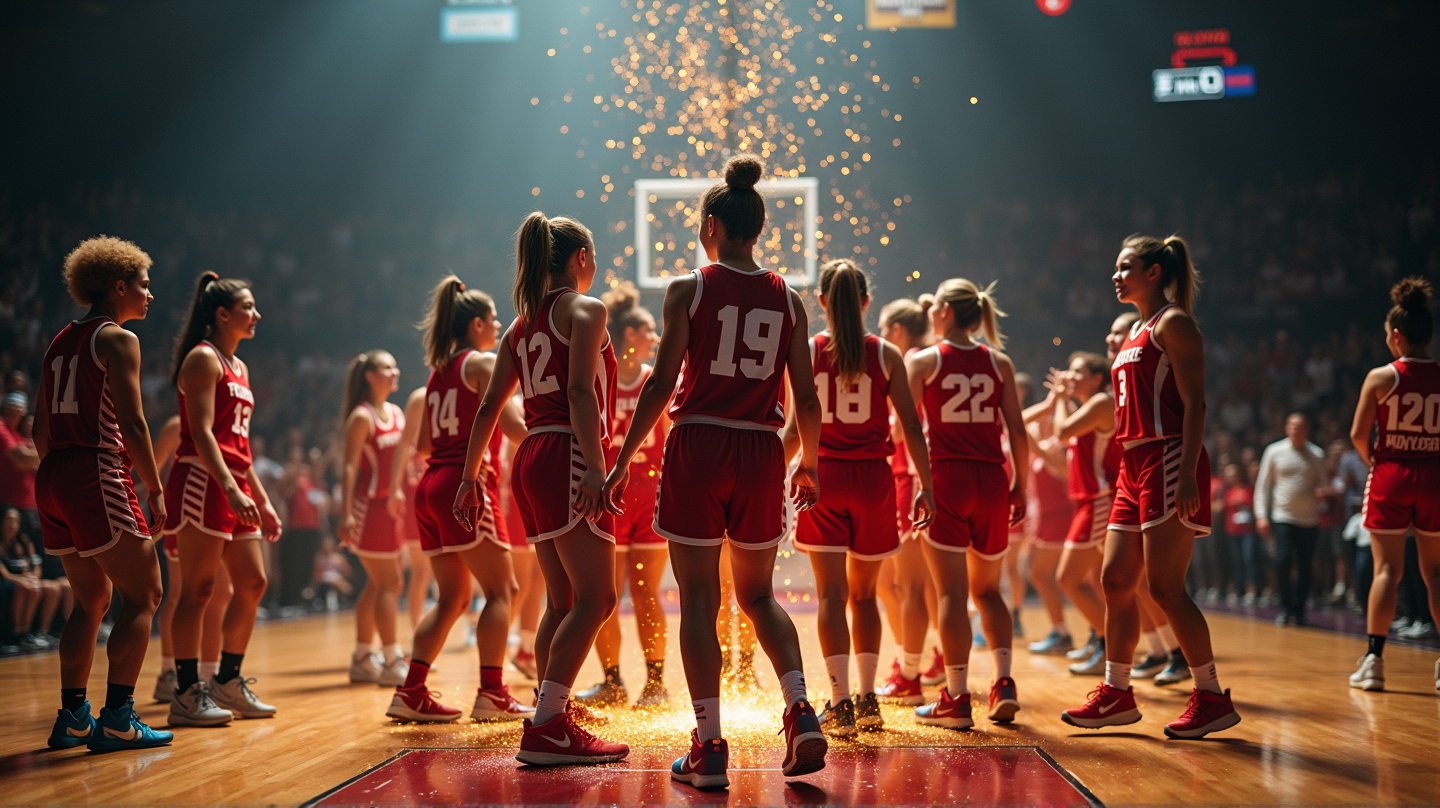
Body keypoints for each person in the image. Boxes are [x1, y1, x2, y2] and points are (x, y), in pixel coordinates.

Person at [602, 154, 827, 789]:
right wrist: (807, 464)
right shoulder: (789, 298)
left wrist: (621, 463)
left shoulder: (686, 288)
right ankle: (801, 707)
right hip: (760, 449)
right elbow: (806, 400)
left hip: (698, 443)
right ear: (759, 230)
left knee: (698, 597)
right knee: (759, 597)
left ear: (710, 227)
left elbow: (660, 385)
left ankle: (708, 746)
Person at [455, 213, 624, 765]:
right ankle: (549, 723)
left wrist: (469, 475)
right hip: (570, 453)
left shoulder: (519, 325)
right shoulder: (585, 309)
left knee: (563, 599)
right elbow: (579, 392)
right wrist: (597, 468)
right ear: (580, 258)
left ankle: (550, 708)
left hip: (530, 455)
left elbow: (486, 407)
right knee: (599, 598)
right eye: (593, 257)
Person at [1062, 234, 1240, 739]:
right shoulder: (1136, 330)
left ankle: (1210, 696)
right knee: (1117, 582)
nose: (1115, 276)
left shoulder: (1174, 324)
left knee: (1164, 587)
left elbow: (1196, 403)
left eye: (1125, 267)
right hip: (1131, 464)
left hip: (1166, 457)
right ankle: (1117, 693)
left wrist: (1185, 472)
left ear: (1154, 272)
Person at [34, 236, 172, 751]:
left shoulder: (58, 341)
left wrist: (58, 480)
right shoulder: (117, 339)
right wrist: (154, 490)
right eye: (144, 284)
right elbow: (134, 423)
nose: (150, 294)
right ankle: (117, 718)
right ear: (120, 286)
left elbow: (39, 429)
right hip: (94, 467)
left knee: (89, 600)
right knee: (146, 594)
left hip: (53, 474)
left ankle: (72, 718)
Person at [786, 259, 935, 737]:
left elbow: (795, 426)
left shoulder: (809, 351)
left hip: (824, 476)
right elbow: (911, 427)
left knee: (831, 594)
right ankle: (870, 699)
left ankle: (840, 702)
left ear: (824, 301)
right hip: (874, 479)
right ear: (866, 302)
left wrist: (767, 467)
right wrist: (927, 486)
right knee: (866, 594)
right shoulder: (888, 354)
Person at [385, 277, 532, 724]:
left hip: (430, 485)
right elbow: (512, 427)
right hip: (465, 486)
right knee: (502, 590)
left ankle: (410, 690)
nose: (499, 326)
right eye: (493, 320)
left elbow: (427, 445)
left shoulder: (437, 374)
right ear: (476, 324)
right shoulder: (483, 364)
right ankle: (492, 692)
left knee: (452, 598)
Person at [906, 278, 1028, 730]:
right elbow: (1017, 430)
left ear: (945, 312)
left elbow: (908, 430)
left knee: (951, 593)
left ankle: (956, 698)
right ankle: (1004, 683)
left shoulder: (923, 360)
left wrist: (922, 480)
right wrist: (1021, 486)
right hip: (993, 478)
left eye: (934, 305)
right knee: (989, 591)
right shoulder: (1000, 362)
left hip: (947, 476)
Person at [163, 271, 283, 727]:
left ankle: (227, 682)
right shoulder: (202, 359)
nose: (256, 315)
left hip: (235, 479)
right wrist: (231, 489)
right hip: (201, 479)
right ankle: (186, 691)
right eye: (248, 307)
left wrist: (263, 498)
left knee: (253, 584)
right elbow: (200, 434)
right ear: (222, 313)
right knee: (198, 590)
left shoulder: (241, 367)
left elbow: (239, 443)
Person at [574, 283, 671, 710]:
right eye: (649, 330)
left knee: (647, 591)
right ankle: (613, 682)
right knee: (606, 596)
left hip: (649, 494)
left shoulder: (656, 379)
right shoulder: (601, 378)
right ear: (630, 335)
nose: (656, 338)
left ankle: (655, 684)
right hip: (610, 495)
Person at [1348, 278, 1440, 693]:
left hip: (1392, 473)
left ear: (1397, 336)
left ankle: (1374, 662)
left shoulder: (1381, 377)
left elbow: (1357, 435)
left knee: (1388, 569)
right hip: (1434, 474)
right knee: (1435, 572)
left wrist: (1376, 462)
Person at [874, 297, 944, 703]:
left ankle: (910, 666)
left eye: (884, 329)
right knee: (923, 584)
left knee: (898, 583)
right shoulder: (928, 356)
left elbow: (903, 428)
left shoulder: (913, 361)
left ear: (898, 330)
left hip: (910, 477)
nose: (882, 337)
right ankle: (927, 660)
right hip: (923, 475)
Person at [338, 351, 410, 686]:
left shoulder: (396, 412)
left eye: (394, 367)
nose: (395, 371)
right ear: (369, 375)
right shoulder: (362, 416)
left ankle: (364, 657)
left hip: (391, 510)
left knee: (376, 584)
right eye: (387, 367)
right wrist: (346, 513)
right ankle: (392, 660)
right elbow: (350, 466)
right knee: (390, 584)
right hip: (369, 510)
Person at [152, 414, 234, 703]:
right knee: (179, 595)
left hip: (218, 507)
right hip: (188, 510)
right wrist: (159, 504)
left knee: (221, 592)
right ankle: (168, 672)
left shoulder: (224, 420)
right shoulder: (177, 425)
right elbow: (152, 469)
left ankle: (210, 675)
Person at [1255, 413, 1327, 627]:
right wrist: (1261, 515)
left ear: (1307, 430)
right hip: (1282, 517)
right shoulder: (1274, 451)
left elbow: (1322, 484)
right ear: (1286, 428)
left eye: (1301, 427)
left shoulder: (1317, 454)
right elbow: (1263, 485)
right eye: (1293, 426)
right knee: (1282, 561)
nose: (1297, 430)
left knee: (1305, 567)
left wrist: (1322, 495)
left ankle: (1300, 611)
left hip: (1309, 519)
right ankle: (1286, 608)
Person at [0, 392, 40, 547]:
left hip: (27, 505)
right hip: (9, 503)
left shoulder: (16, 435)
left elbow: (34, 464)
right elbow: (18, 457)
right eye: (11, 409)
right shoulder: (2, 427)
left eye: (19, 411)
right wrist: (36, 456)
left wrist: (30, 458)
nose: (15, 414)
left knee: (25, 547)